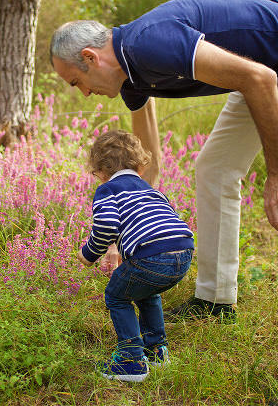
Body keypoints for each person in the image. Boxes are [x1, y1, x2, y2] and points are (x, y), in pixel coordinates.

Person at [51, 0, 278, 404]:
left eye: (75, 82)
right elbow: (143, 171)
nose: (82, 93)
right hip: (261, 72)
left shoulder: (149, 43)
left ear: (90, 57)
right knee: (215, 169)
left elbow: (258, 78)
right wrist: (119, 235)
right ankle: (216, 298)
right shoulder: (130, 76)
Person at [76, 129, 194, 383]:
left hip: (151, 257)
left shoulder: (108, 190)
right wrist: (119, 247)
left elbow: (107, 225)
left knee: (117, 296)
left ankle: (131, 361)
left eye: (95, 174)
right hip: (183, 252)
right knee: (146, 291)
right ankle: (156, 351)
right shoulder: (152, 190)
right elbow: (148, 223)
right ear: (139, 166)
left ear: (103, 172)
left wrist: (89, 253)